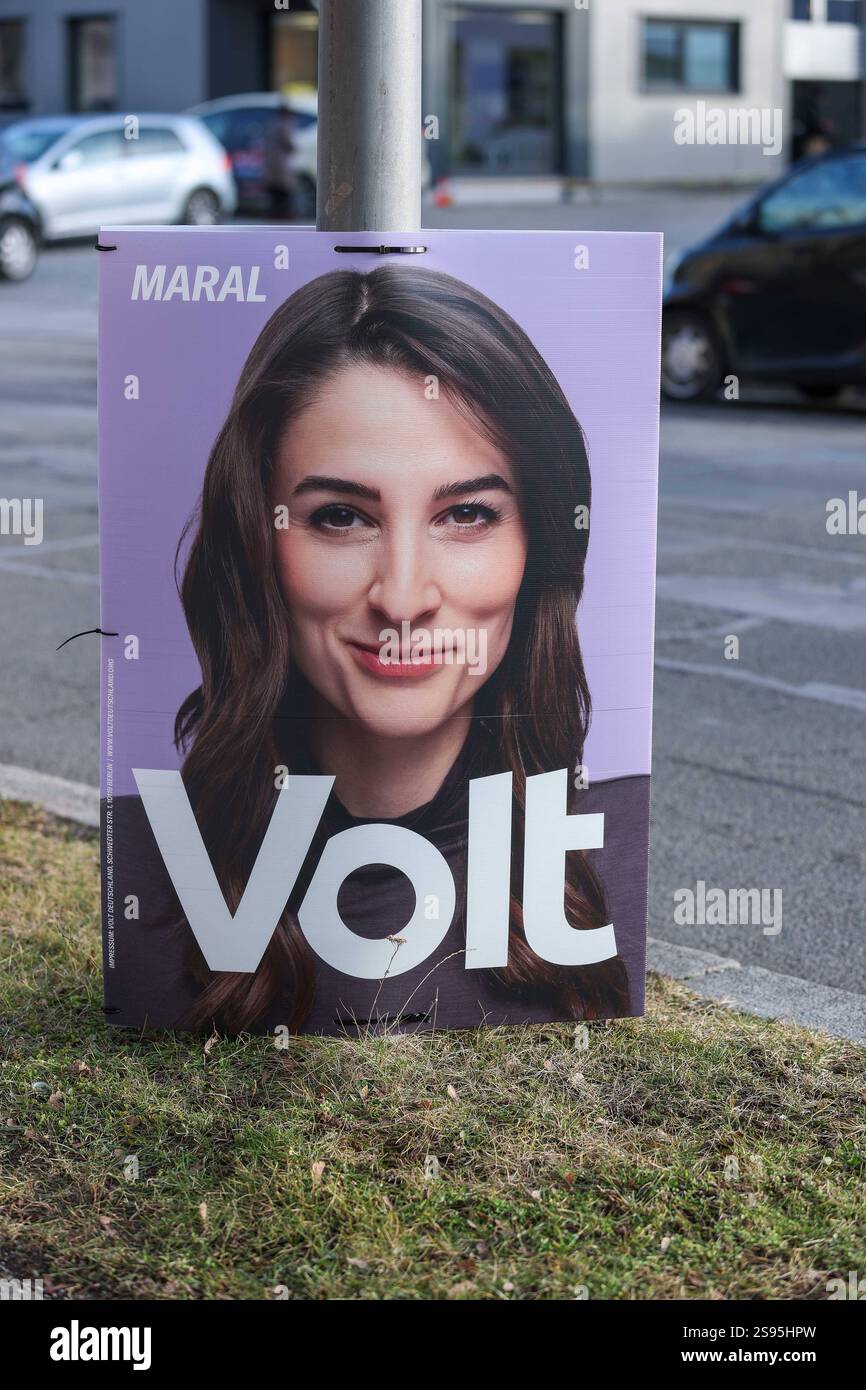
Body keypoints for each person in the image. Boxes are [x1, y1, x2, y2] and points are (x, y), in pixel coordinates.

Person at [109, 267, 650, 1035]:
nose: (401, 597)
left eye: (466, 513)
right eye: (340, 517)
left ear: (540, 545)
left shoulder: (612, 843)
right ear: (258, 539)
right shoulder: (146, 869)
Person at [263, 104, 297, 221]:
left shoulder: (272, 124)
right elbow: (290, 145)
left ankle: (273, 214)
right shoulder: (285, 126)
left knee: (275, 194)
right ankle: (284, 214)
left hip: (271, 164)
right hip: (282, 165)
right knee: (285, 193)